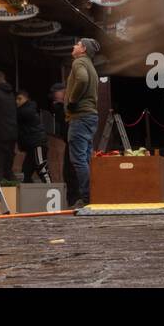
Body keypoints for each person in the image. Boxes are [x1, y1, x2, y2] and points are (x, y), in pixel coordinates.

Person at [65, 38, 101, 207]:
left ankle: (87, 197)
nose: (74, 46)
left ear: (83, 49)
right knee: (86, 158)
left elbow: (82, 80)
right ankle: (93, 194)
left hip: (80, 116)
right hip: (91, 116)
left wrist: (72, 100)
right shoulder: (91, 66)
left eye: (77, 44)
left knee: (79, 159)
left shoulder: (79, 63)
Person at [15, 89, 50, 183]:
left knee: (41, 166)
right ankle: (29, 194)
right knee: (26, 171)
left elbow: (21, 114)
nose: (17, 101)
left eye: (20, 99)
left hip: (37, 143)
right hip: (31, 146)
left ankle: (51, 188)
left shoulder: (27, 109)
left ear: (26, 99)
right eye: (16, 99)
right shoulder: (24, 110)